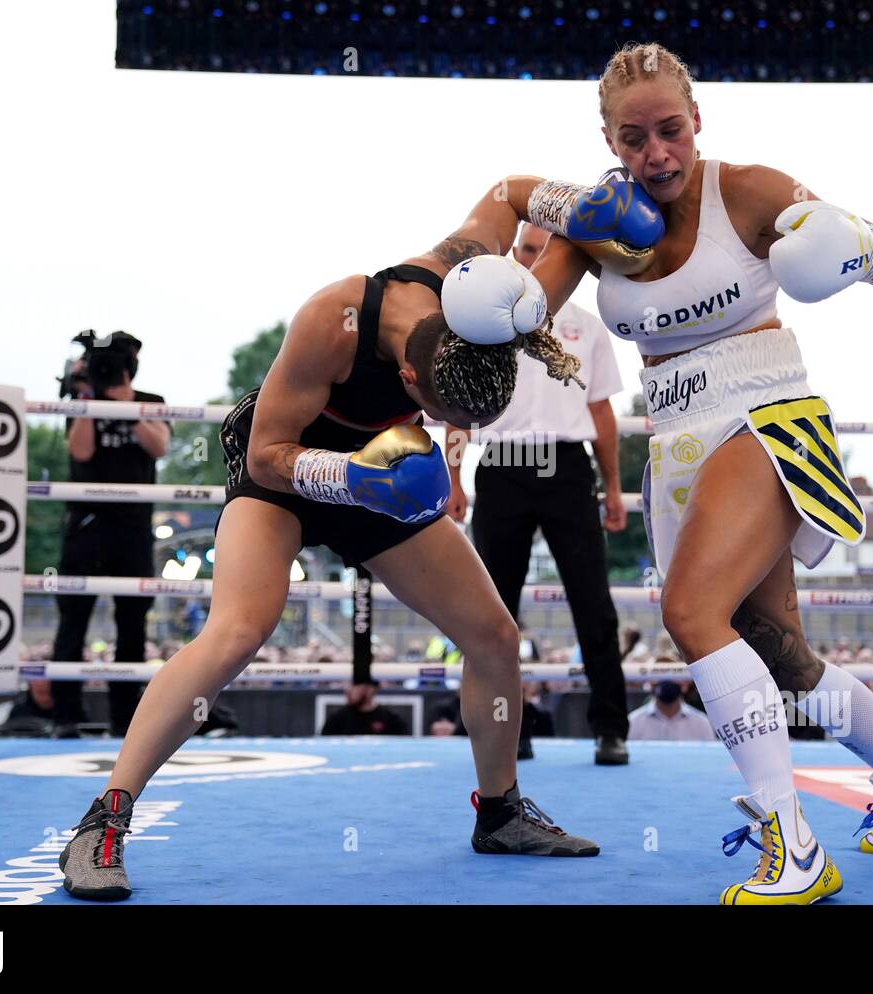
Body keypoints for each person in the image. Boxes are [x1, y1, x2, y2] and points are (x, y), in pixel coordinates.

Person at [56, 172, 659, 900]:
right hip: (283, 469)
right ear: (408, 375)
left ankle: (500, 813)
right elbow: (268, 456)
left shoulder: (475, 291)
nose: (442, 427)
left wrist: (585, 208)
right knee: (238, 630)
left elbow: (509, 193)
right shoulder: (333, 317)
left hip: (383, 464)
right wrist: (353, 478)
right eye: (436, 412)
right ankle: (104, 819)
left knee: (495, 637)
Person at [521, 42, 873, 903]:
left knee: (691, 614)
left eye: (670, 129)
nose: (656, 153)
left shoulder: (748, 190)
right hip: (675, 441)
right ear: (609, 141)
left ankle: (793, 846)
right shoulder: (598, 222)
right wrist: (495, 276)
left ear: (697, 120)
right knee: (782, 657)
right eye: (634, 138)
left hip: (763, 417)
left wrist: (857, 247)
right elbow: (525, 311)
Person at [446, 221, 631, 766]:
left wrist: (613, 487)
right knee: (494, 607)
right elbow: (458, 404)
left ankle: (611, 729)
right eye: (527, 249)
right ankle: (507, 731)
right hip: (501, 466)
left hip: (567, 468)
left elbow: (601, 411)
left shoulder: (587, 327)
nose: (535, 260)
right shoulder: (481, 323)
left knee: (592, 601)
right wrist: (453, 478)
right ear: (513, 254)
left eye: (545, 251)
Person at [51, 331, 170, 738]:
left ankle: (125, 719)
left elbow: (159, 447)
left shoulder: (151, 401)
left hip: (133, 526)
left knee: (132, 623)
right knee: (73, 619)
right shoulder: (83, 400)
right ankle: (66, 717)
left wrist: (125, 406)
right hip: (86, 523)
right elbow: (80, 451)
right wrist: (88, 399)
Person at [627, 680, 714, 741]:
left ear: (685, 683)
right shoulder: (633, 722)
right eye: (659, 674)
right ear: (650, 681)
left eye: (673, 674)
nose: (667, 679)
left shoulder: (702, 723)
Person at [321, 682, 409, 735]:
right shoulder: (336, 719)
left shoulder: (392, 720)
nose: (348, 689)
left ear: (370, 689)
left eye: (355, 685)